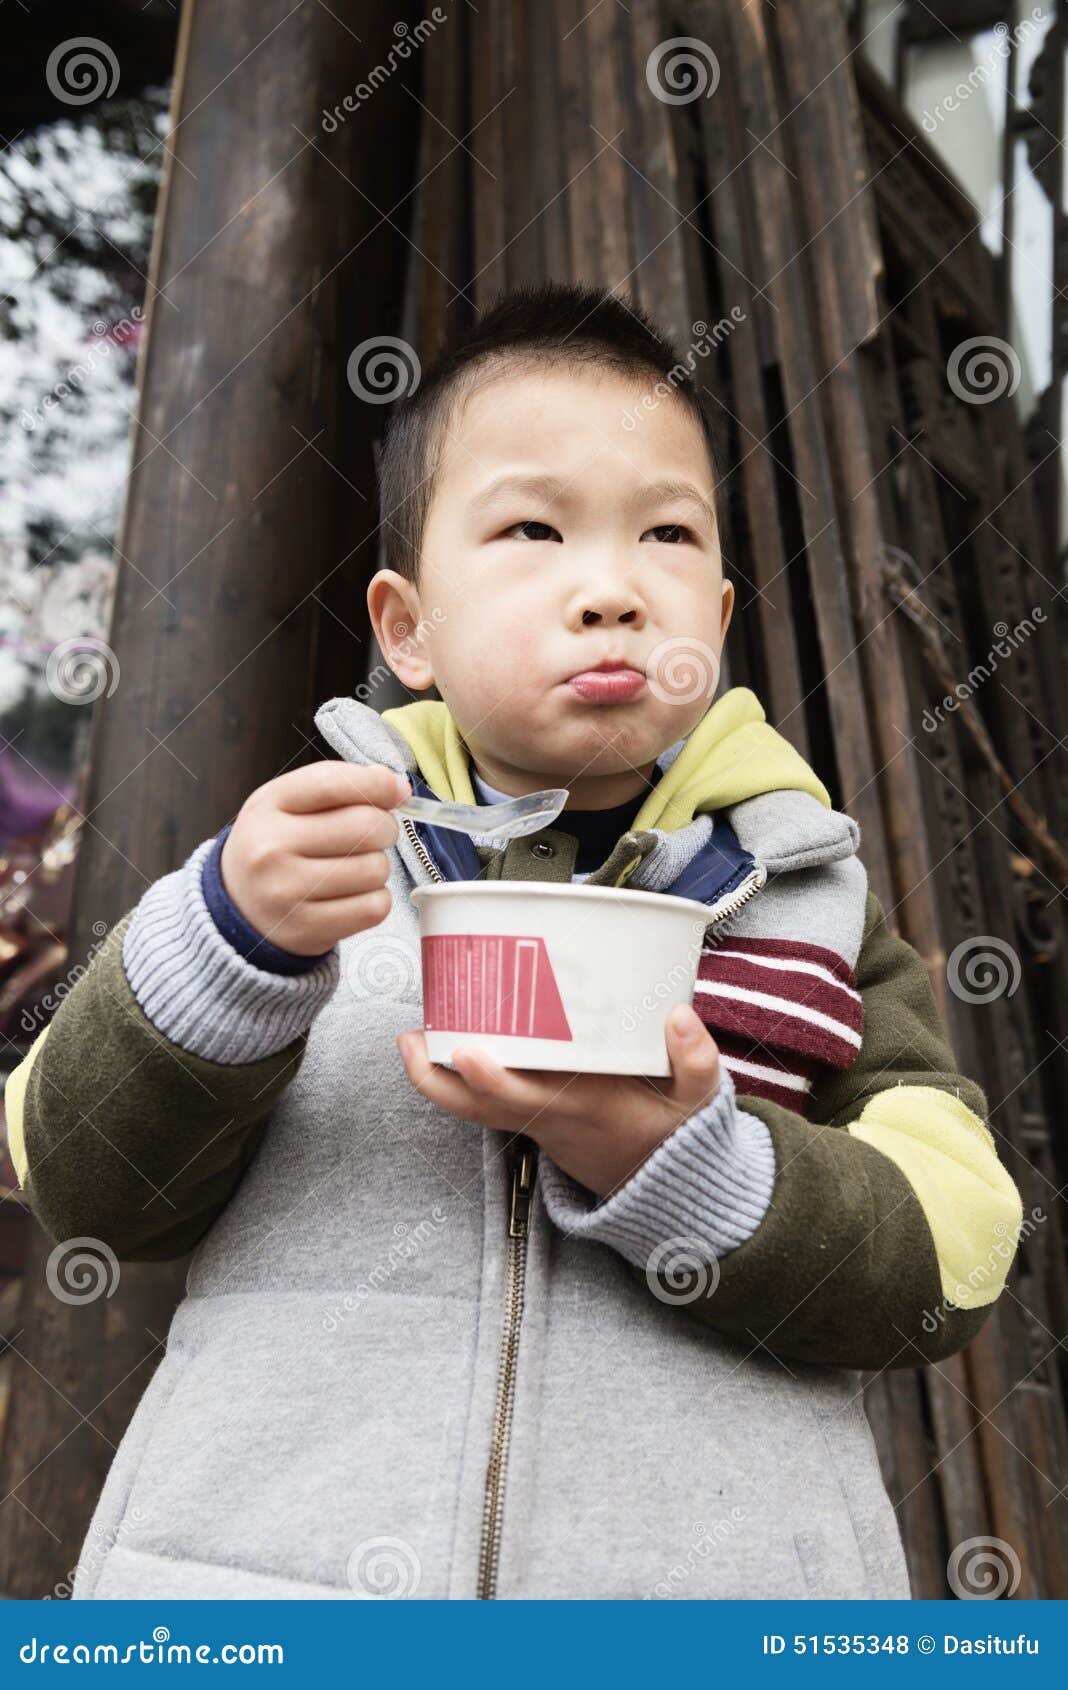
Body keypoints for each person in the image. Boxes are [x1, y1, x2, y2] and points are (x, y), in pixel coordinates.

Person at [5, 281, 1022, 1601]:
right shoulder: (302, 874)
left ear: (713, 621)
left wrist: (689, 1165)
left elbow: (956, 1260)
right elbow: (80, 1188)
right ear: (407, 627)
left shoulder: (807, 899)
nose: (609, 589)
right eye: (533, 528)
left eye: (664, 533)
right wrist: (226, 946)